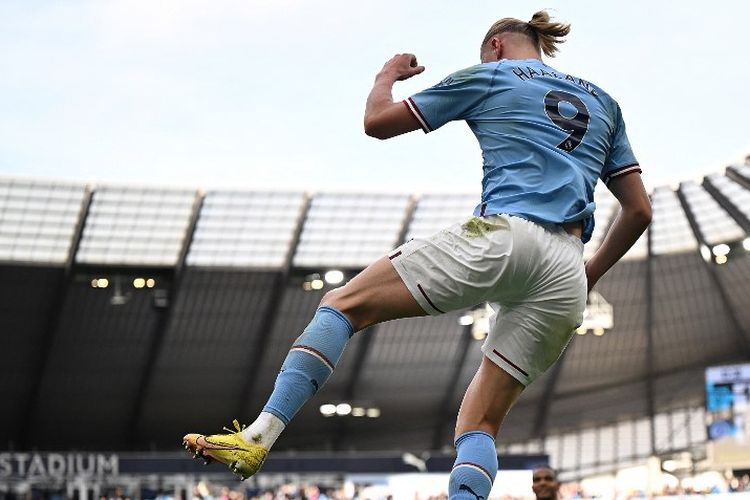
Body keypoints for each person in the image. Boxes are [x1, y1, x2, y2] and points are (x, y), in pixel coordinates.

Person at [183, 10, 652, 499]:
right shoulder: (604, 102)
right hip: (566, 273)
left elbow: (377, 123)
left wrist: (386, 76)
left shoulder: (490, 75)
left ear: (495, 46)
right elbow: (638, 211)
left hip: (506, 233)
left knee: (342, 305)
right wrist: (589, 274)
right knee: (480, 424)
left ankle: (257, 438)